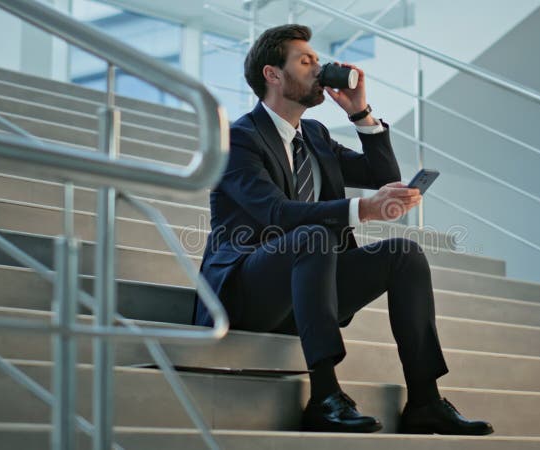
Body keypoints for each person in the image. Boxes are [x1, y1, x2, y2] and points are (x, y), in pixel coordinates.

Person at [195, 24, 493, 436]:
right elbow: (276, 212)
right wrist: (363, 210)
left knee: (404, 255)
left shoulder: (315, 136)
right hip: (245, 294)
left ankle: (425, 401)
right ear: (273, 74)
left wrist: (360, 113)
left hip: (310, 289)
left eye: (319, 60)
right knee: (313, 234)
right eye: (306, 61)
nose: (319, 69)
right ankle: (325, 396)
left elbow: (381, 176)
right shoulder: (238, 140)